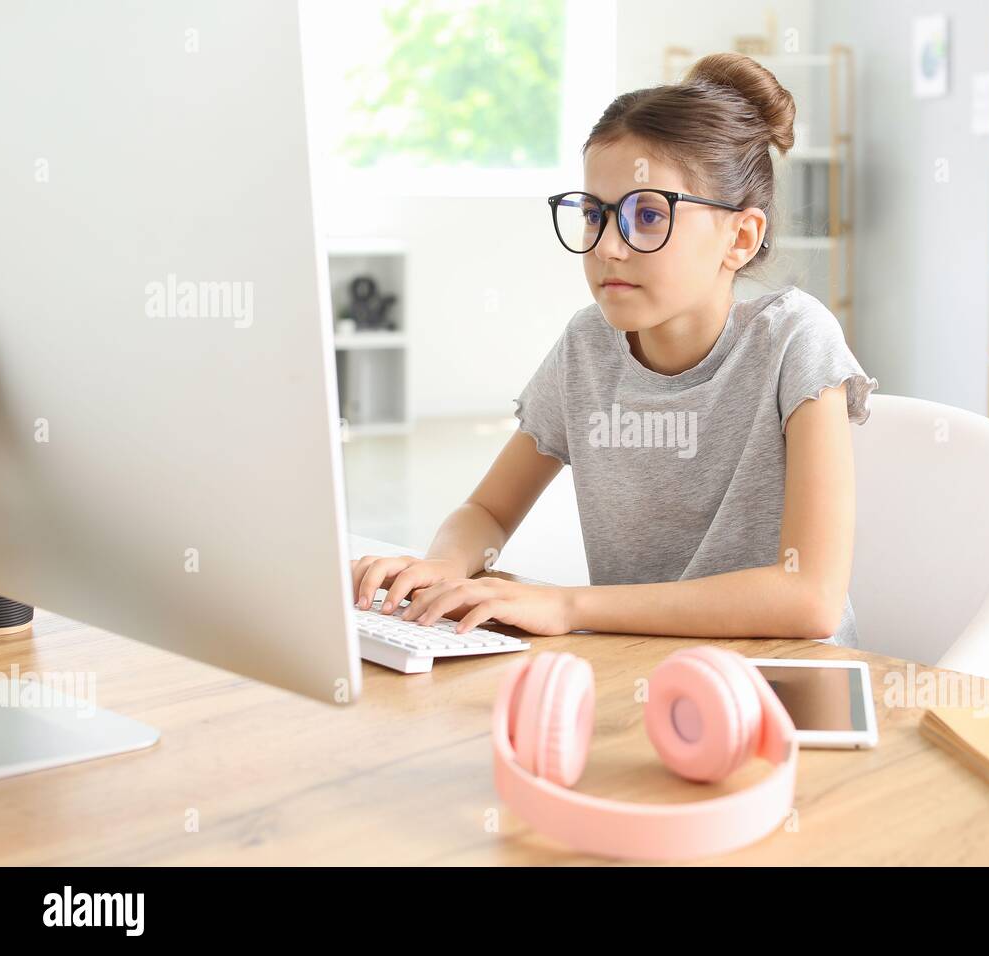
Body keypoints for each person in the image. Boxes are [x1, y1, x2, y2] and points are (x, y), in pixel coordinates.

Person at [351, 52, 878, 647]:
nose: (608, 247)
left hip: (784, 687)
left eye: (647, 215)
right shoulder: (587, 349)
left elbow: (809, 600)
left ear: (740, 236)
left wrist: (570, 604)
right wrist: (444, 566)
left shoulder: (794, 341)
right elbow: (489, 514)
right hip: (642, 671)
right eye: (594, 215)